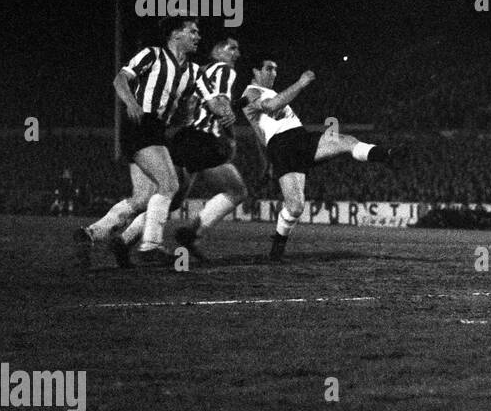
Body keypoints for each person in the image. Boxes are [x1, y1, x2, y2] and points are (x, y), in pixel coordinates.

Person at [77, 16, 234, 267]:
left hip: (155, 130)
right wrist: (131, 103)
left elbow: (213, 100)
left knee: (142, 198)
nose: (198, 36)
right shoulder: (152, 54)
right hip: (142, 125)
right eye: (192, 31)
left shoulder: (194, 71)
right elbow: (120, 79)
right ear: (175, 34)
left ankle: (90, 234)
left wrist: (225, 110)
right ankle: (150, 245)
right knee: (170, 185)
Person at [241, 56, 395, 262]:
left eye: (276, 69)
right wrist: (301, 83)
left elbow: (262, 128)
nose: (274, 73)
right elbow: (271, 106)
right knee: (295, 207)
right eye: (269, 69)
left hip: (299, 136)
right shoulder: (250, 92)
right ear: (255, 71)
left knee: (345, 141)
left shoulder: (268, 91)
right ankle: (278, 244)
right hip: (282, 146)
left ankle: (388, 155)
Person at [116, 37, 247, 265]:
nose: (237, 53)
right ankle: (160, 240)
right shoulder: (224, 70)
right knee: (232, 190)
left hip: (189, 138)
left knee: (174, 198)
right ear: (217, 50)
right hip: (203, 140)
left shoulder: (199, 71)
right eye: (232, 48)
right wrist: (232, 138)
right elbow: (222, 106)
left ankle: (127, 240)